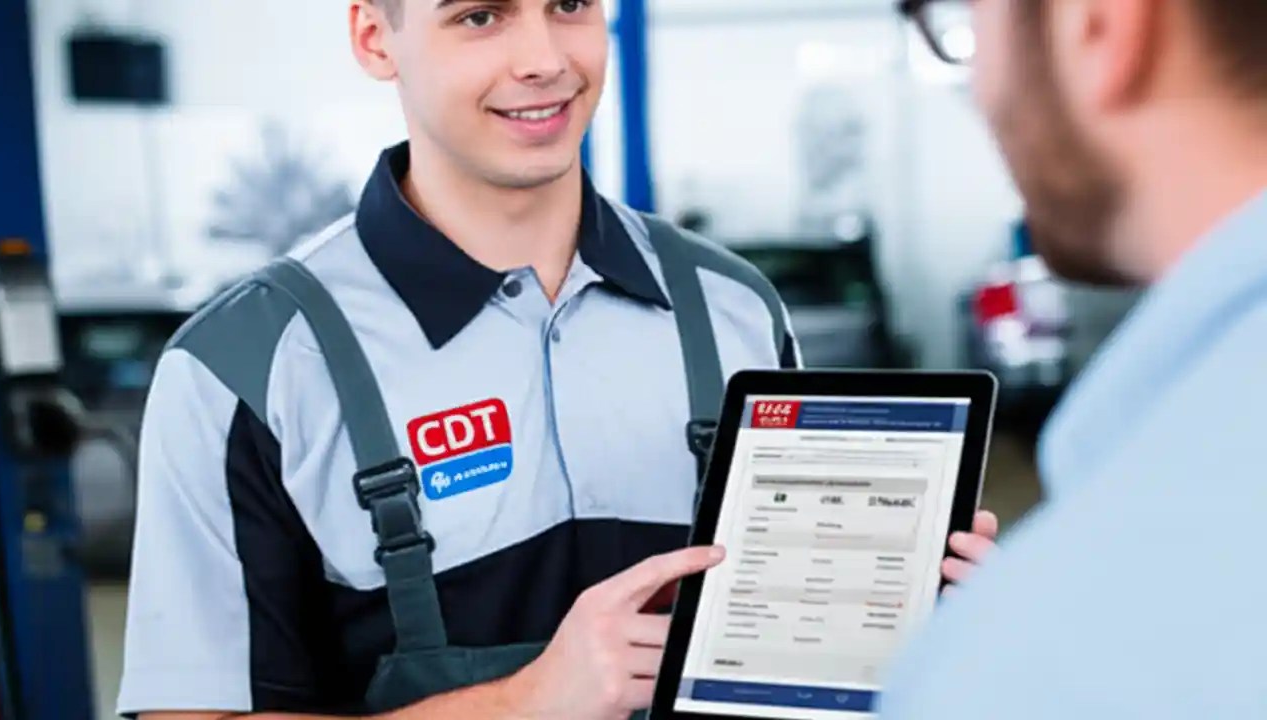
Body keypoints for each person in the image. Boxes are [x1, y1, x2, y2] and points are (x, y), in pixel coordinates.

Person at [116, 1, 999, 718]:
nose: (543, 58)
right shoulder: (246, 367)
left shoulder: (733, 310)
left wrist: (899, 610)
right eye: (481, 16)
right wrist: (525, 703)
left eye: (569, 4)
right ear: (374, 36)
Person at [879, 0, 1267, 717]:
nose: (983, 95)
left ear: (1101, 23)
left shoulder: (1038, 661)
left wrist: (1029, 610)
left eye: (963, 22)